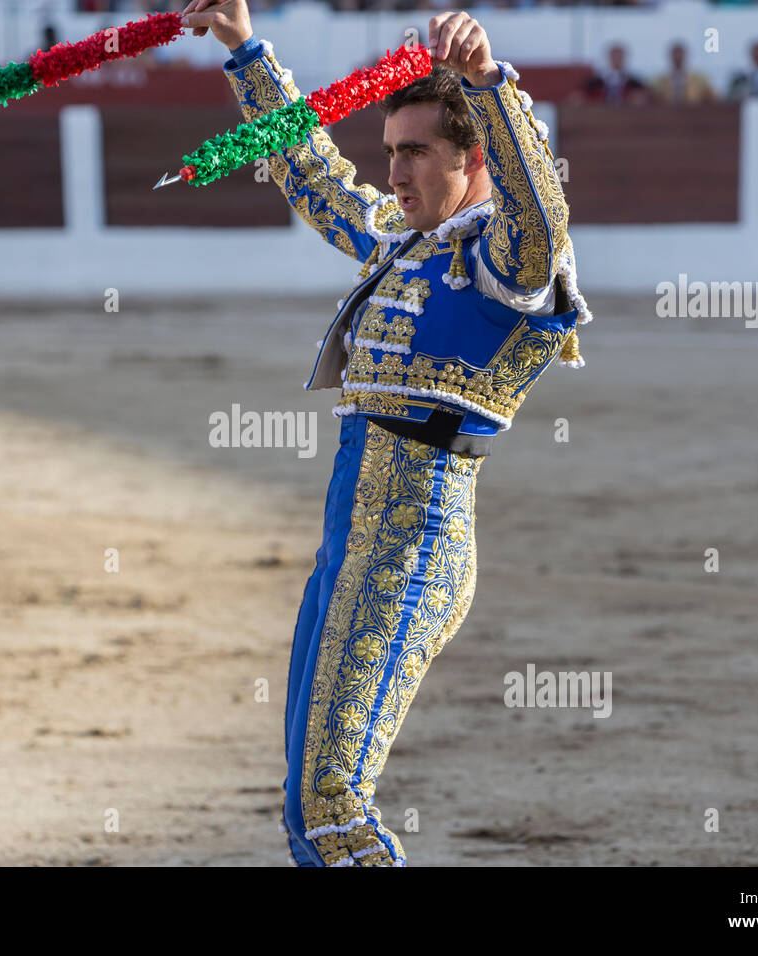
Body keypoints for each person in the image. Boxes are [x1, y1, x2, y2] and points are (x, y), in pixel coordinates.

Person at [179, 0, 588, 867]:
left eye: (417, 152)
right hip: (348, 543)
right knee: (305, 803)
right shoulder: (406, 242)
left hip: (415, 546)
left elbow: (541, 215)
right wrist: (243, 45)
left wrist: (493, 85)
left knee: (333, 807)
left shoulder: (505, 263)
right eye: (391, 151)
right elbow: (315, 178)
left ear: (473, 157)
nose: (395, 173)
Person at [570, 43, 649, 106]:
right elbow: (578, 96)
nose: (617, 60)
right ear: (608, 57)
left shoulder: (635, 83)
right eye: (614, 56)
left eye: (620, 57)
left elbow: (646, 98)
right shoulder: (594, 82)